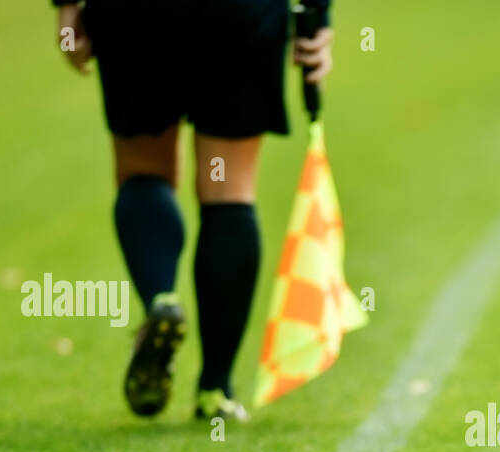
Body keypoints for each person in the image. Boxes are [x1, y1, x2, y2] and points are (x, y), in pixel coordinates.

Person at [52, 0, 335, 421]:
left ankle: (161, 297)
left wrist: (66, 8)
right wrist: (316, 16)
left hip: (137, 18)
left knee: (143, 170)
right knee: (229, 189)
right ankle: (214, 389)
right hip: (240, 14)